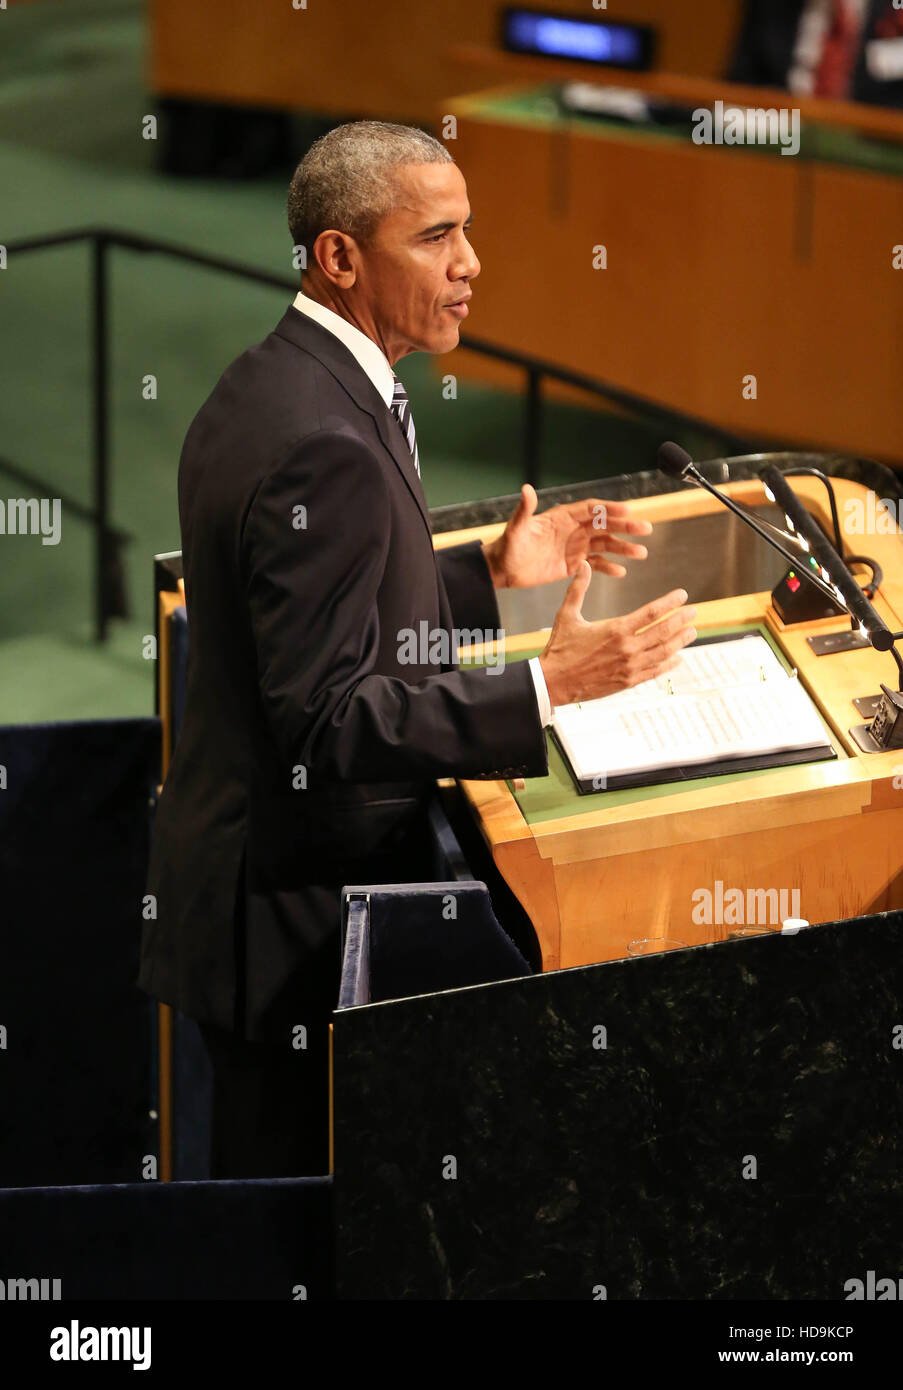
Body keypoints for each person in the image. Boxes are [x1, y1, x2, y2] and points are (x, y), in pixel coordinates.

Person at [136, 121, 695, 1179]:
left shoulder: (285, 379)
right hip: (289, 926)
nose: (472, 262)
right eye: (436, 236)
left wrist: (490, 571)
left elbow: (311, 617)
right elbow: (323, 712)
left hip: (254, 892)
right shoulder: (322, 439)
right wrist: (545, 684)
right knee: (295, 1235)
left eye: (468, 231)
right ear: (340, 257)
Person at [729, 0, 903, 106]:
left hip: (860, 142)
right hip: (780, 129)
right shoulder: (775, 6)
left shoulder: (893, 12)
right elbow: (742, 79)